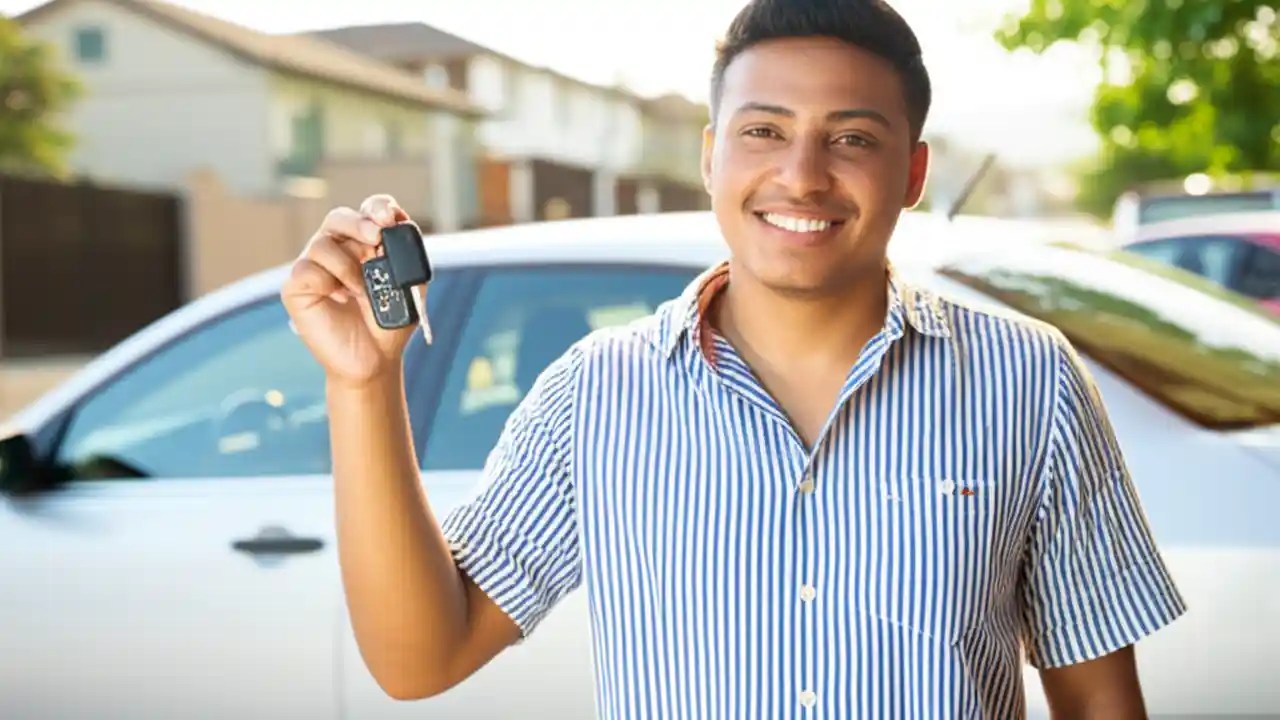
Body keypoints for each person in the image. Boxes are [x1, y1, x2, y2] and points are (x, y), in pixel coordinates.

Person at [280, 0, 1186, 717]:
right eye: (763, 131)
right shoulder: (598, 393)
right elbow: (419, 660)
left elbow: (1100, 700)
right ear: (712, 157)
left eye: (852, 137)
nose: (802, 174)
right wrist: (364, 381)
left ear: (912, 175)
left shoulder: (1027, 380)